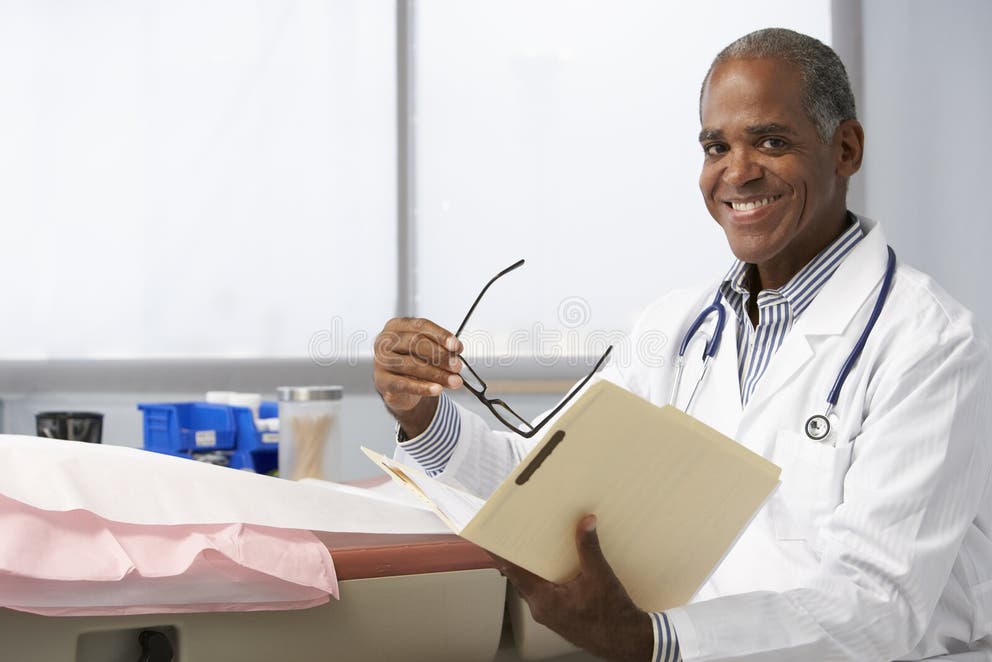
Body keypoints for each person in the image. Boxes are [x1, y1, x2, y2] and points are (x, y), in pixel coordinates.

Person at [372, 28, 992, 661]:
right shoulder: (672, 326)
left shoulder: (928, 341)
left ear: (846, 149)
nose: (738, 171)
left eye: (771, 141)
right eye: (715, 146)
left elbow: (878, 608)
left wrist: (654, 640)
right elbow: (539, 484)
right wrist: (421, 414)